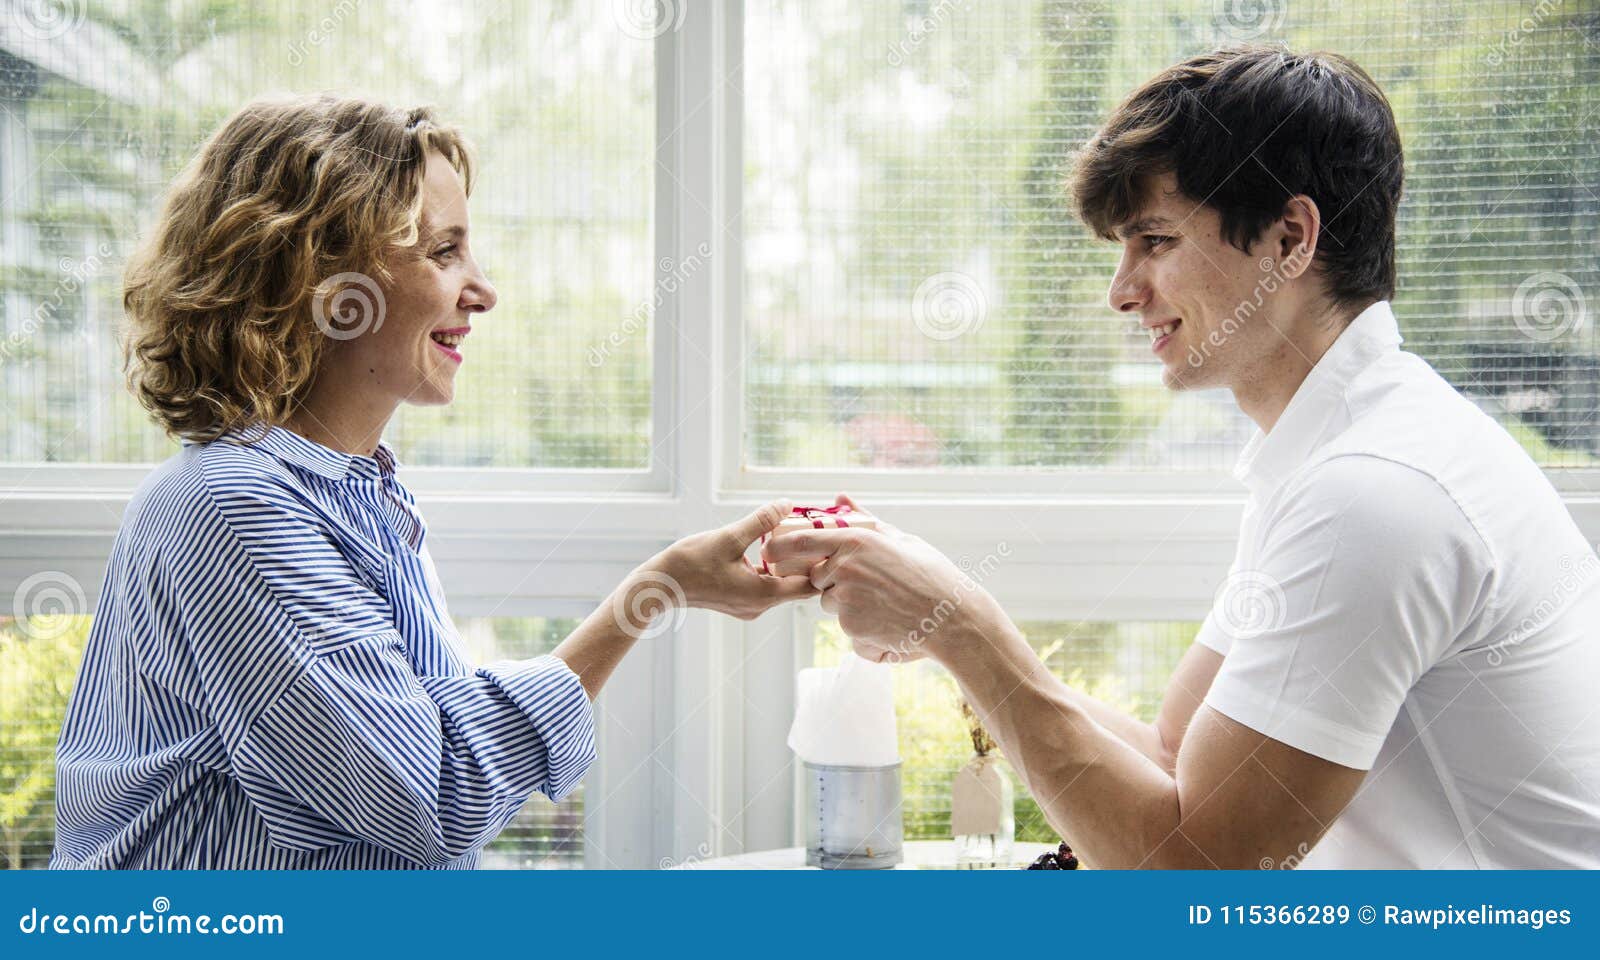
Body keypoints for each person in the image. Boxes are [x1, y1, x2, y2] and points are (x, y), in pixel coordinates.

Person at [765, 46, 1600, 868]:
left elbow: (1197, 882)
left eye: (1156, 240)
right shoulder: (1339, 451)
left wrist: (964, 629)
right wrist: (943, 631)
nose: (1121, 291)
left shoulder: (1374, 495)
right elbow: (1173, 758)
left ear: (1290, 238)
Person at [50, 95, 816, 869]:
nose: (483, 291)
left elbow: (413, 739)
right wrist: (649, 595)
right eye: (444, 252)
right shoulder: (232, 508)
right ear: (320, 276)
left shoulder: (355, 491)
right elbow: (434, 797)